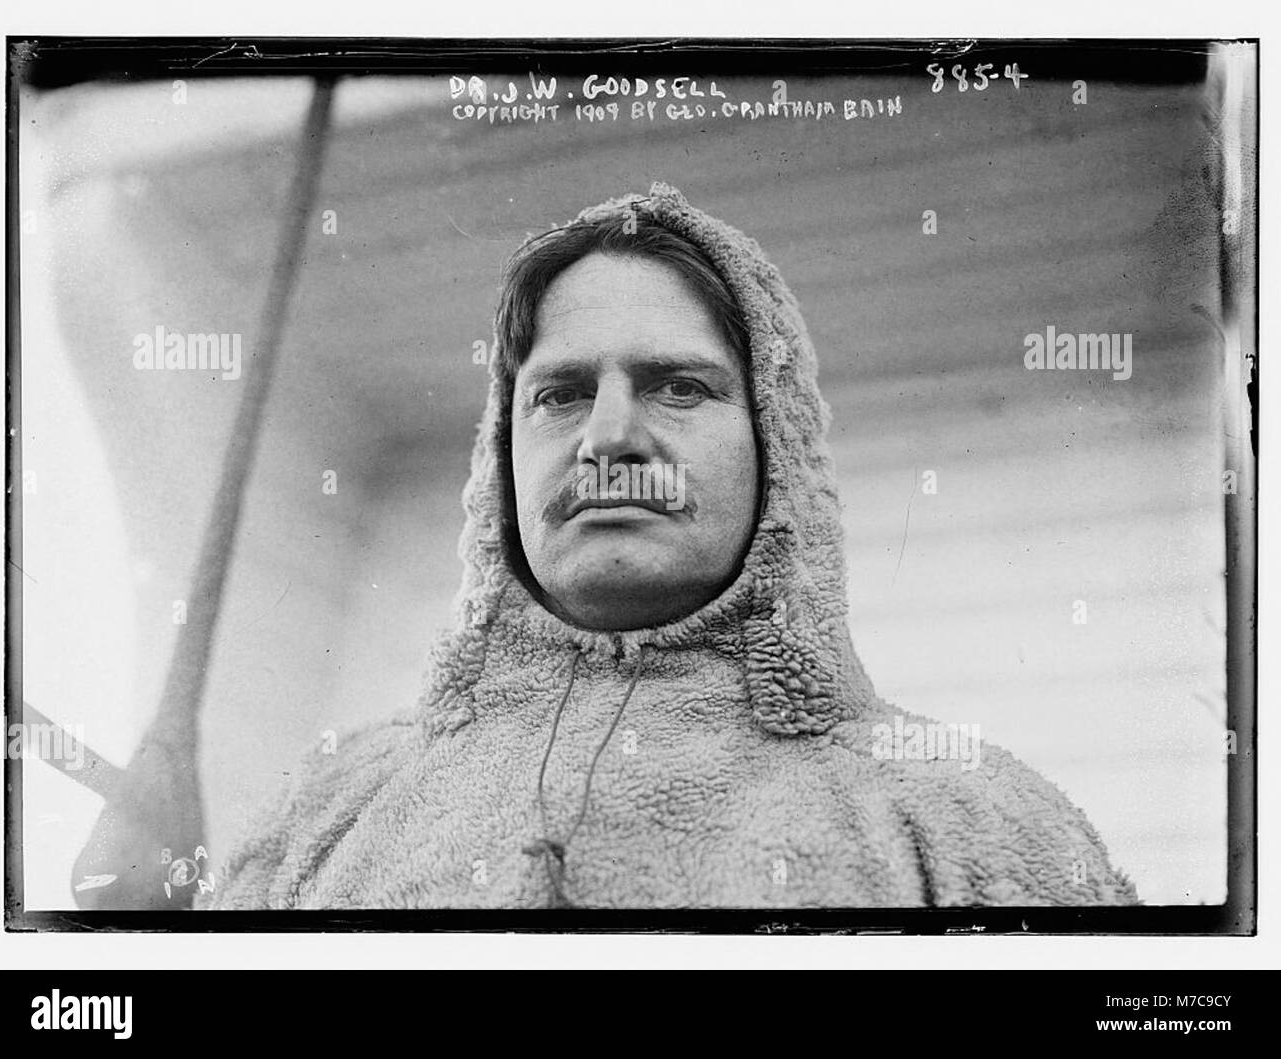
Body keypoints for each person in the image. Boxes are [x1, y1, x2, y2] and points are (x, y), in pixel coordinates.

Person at [209, 182, 1138, 909]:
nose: (609, 436)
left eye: (678, 387)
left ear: (774, 445)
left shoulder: (971, 822)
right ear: (503, 459)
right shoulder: (321, 821)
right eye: (561, 394)